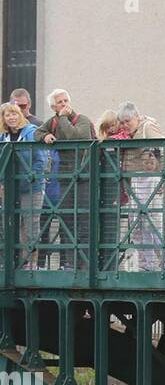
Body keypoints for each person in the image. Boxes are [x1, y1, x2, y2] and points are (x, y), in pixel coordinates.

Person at [34, 89, 96, 269]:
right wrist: (45, 135)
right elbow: (36, 132)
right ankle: (70, 263)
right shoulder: (52, 121)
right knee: (67, 221)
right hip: (65, 177)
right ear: (53, 106)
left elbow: (74, 136)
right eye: (59, 102)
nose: (64, 104)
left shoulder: (82, 119)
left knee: (83, 221)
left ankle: (84, 265)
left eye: (66, 100)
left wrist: (62, 118)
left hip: (84, 177)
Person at [0, 101, 48, 268]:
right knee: (9, 224)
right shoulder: (2, 137)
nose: (11, 117)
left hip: (31, 187)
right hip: (9, 188)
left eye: (14, 114)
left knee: (30, 225)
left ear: (20, 115)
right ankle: (13, 263)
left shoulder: (30, 132)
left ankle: (30, 264)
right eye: (8, 115)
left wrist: (29, 178)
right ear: (3, 119)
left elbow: (40, 160)